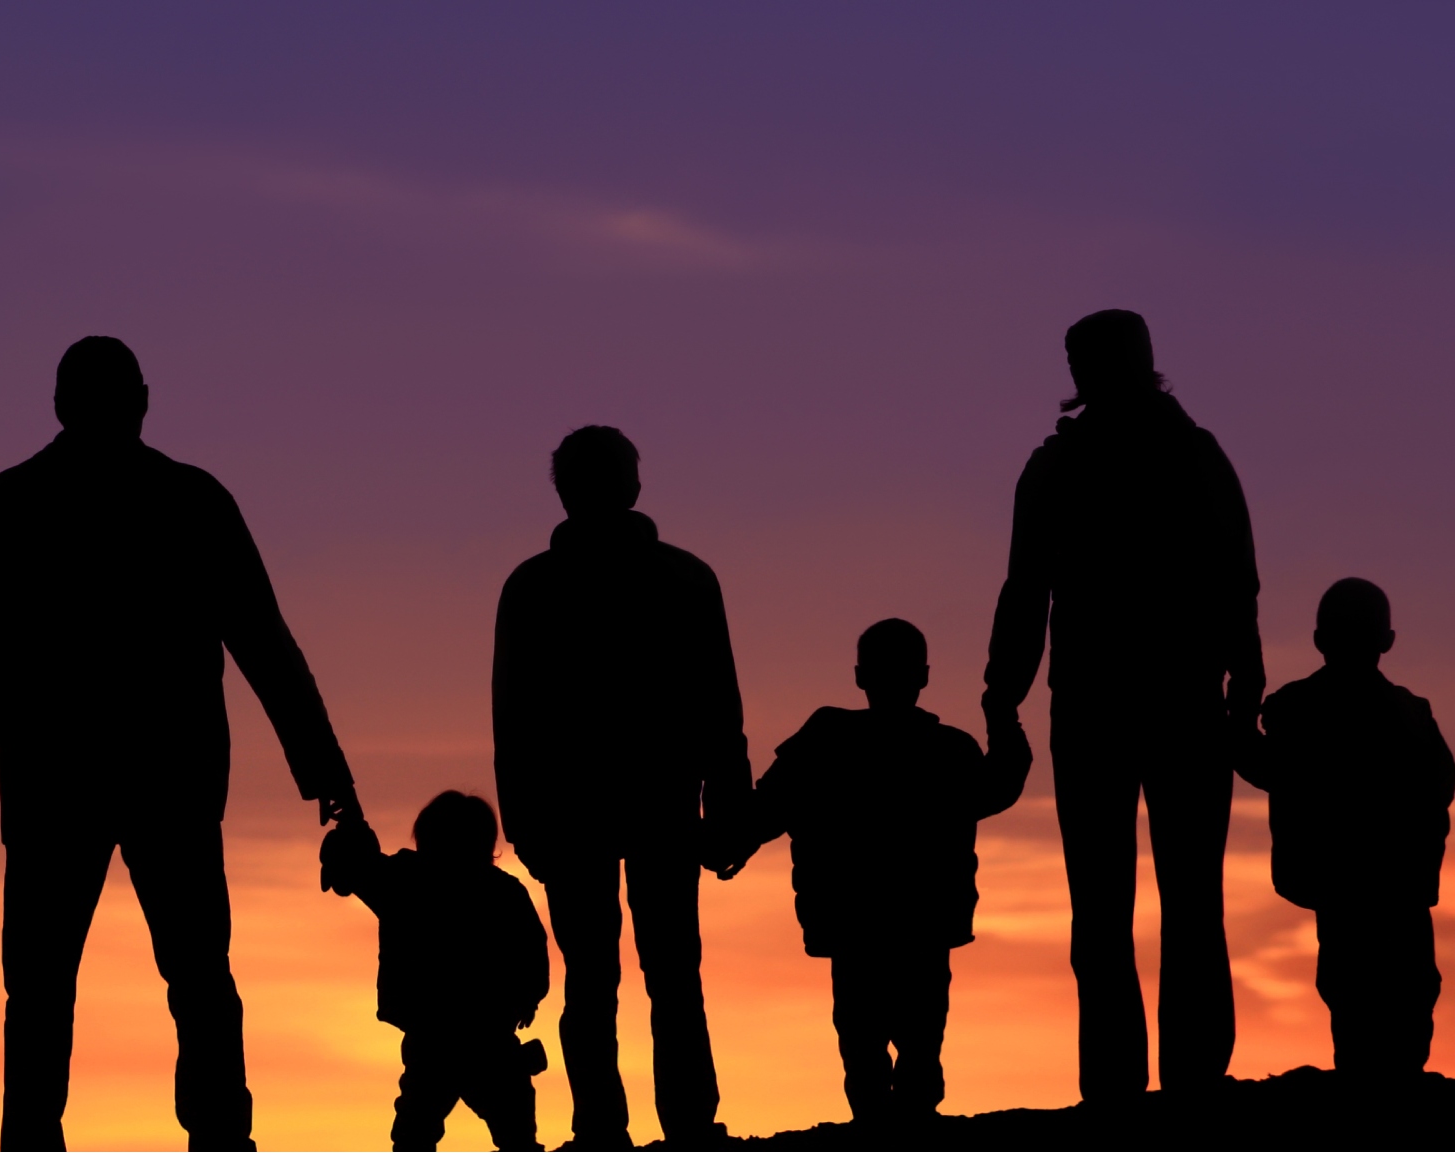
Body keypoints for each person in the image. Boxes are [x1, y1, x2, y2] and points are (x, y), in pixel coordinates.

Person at [0, 336, 360, 1151]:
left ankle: (53, 1142)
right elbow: (265, 645)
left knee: (60, 985)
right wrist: (323, 770)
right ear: (143, 399)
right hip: (157, 775)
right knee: (186, 979)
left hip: (77, 777)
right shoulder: (183, 499)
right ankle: (212, 1142)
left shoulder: (15, 503)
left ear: (62, 404)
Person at [981, 309, 1264, 1101]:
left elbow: (1025, 590)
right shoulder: (1185, 457)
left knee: (1131, 904)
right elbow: (1235, 583)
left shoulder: (1079, 465)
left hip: (1122, 706)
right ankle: (1165, 1083)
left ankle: (1143, 1085)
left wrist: (1002, 700)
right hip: (1150, 706)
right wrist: (1246, 688)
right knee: (1157, 903)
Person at [491, 425, 750, 1149]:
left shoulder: (534, 587)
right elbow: (720, 707)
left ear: (565, 491)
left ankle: (606, 1128)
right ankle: (684, 1125)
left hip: (577, 810)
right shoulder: (684, 578)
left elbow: (510, 718)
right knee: (669, 973)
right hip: (652, 802)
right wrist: (729, 800)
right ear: (633, 486)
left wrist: (524, 819)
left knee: (598, 979)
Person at [737, 619, 1031, 1131]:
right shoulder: (950, 751)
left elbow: (767, 809)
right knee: (914, 1045)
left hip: (857, 927)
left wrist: (726, 840)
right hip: (919, 926)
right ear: (924, 677)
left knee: (868, 1048)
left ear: (859, 676)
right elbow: (1000, 786)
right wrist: (1002, 717)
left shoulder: (824, 743)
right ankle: (904, 1133)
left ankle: (884, 1135)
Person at [1241, 579, 1455, 1081]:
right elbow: (1440, 784)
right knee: (1400, 993)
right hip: (1395, 887)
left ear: (1320, 639)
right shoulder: (1411, 714)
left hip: (1347, 886)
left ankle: (1371, 1091)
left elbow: (1267, 767)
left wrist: (1235, 725)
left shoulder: (1298, 710)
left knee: (1358, 993)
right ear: (1388, 641)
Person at [320, 791, 551, 1151]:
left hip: (432, 1035)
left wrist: (350, 838)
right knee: (515, 1132)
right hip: (489, 1036)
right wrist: (527, 998)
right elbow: (533, 955)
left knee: (416, 1133)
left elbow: (360, 870)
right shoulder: (504, 892)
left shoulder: (406, 881)